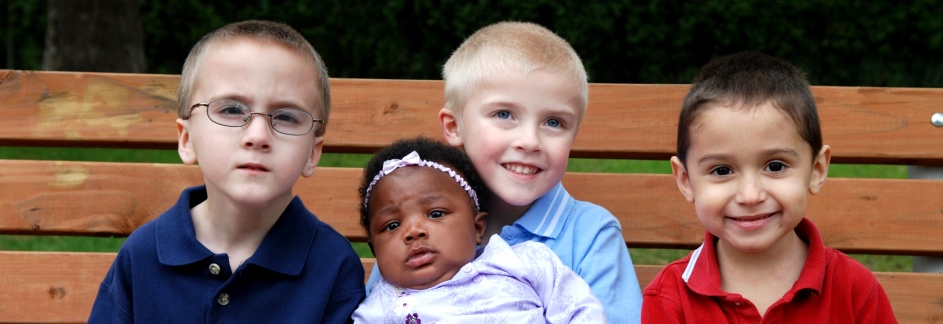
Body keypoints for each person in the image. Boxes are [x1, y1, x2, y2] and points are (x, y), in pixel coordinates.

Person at [88, 20, 365, 323]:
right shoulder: (142, 256)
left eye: (285, 116)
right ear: (187, 139)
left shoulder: (334, 265)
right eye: (232, 110)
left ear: (313, 152)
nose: (258, 135)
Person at [642, 52, 896, 322]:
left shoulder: (854, 289)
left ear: (816, 170)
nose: (750, 195)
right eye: (722, 170)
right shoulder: (670, 298)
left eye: (775, 166)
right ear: (685, 180)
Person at [352, 137, 606, 323]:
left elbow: (579, 309)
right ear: (375, 250)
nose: (413, 231)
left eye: (436, 214)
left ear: (477, 227)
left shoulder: (524, 262)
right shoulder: (377, 310)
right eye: (392, 226)